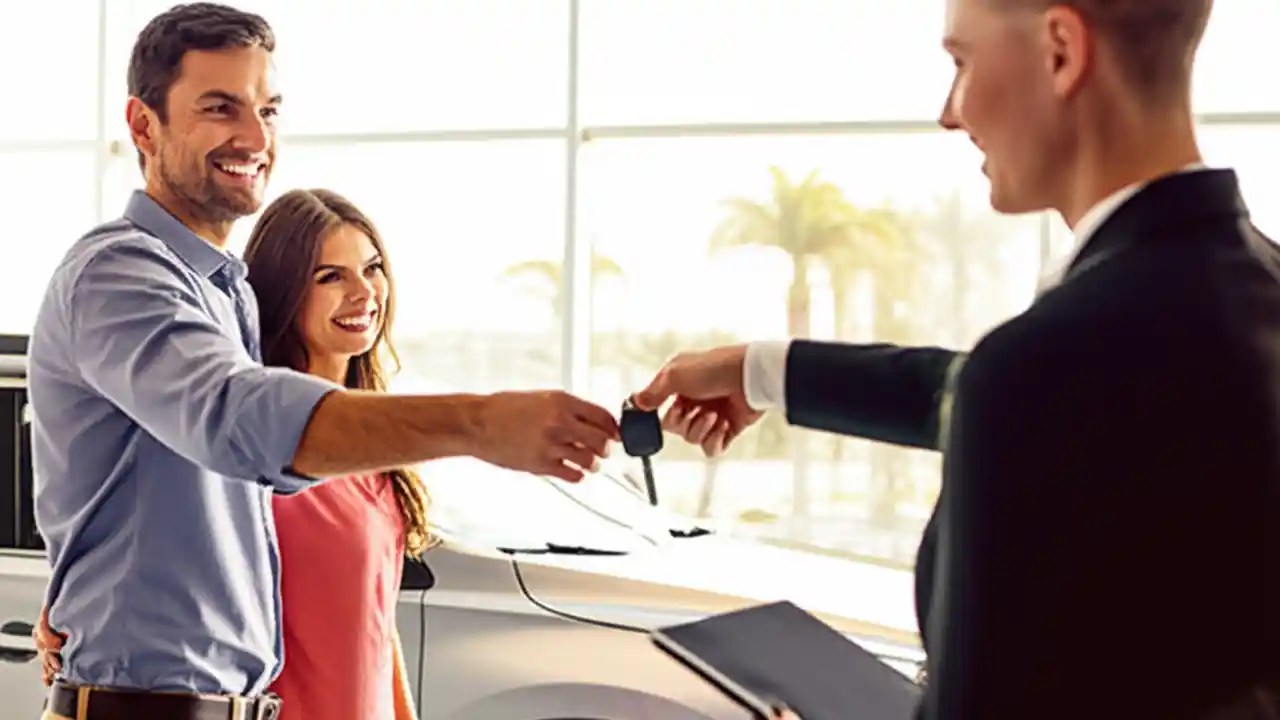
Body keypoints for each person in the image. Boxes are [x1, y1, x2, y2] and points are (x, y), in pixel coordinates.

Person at [635, 0, 1279, 718]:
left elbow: (1037, 392)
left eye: (961, 62)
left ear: (1061, 50)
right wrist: (762, 370)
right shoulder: (1242, 302)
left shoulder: (1047, 367)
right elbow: (1075, 405)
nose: (950, 112)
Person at [28, 4, 617, 719]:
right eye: (220, 109)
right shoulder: (118, 273)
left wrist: (81, 589)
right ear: (143, 125)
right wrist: (480, 422)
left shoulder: (222, 296)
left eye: (268, 110)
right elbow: (236, 417)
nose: (255, 137)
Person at [36, 188, 433, 719]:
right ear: (288, 292)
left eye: (373, 267)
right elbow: (153, 548)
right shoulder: (250, 455)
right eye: (330, 276)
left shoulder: (371, 450)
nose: (363, 292)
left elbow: (377, 626)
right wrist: (72, 611)